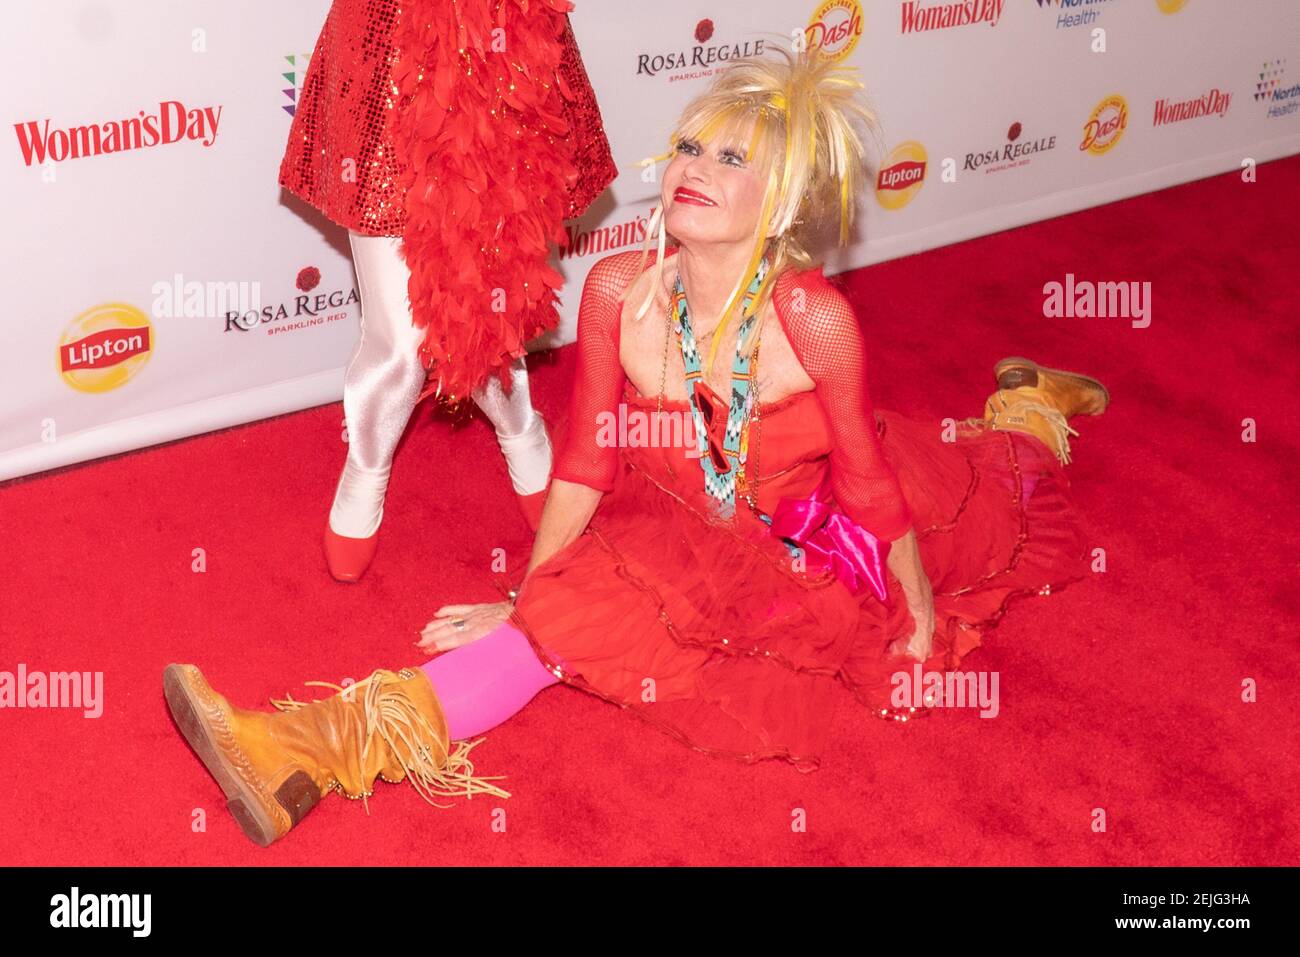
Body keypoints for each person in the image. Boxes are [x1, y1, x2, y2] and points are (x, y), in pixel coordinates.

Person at [166, 46, 1108, 846]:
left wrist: (913, 614)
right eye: (691, 144)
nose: (695, 165)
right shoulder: (619, 289)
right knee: (567, 616)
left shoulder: (814, 321)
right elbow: (585, 464)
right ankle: (305, 751)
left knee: (1001, 490)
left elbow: (867, 485)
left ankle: (1027, 406)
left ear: (778, 204)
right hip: (682, 519)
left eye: (731, 157)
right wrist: (529, 594)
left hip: (817, 541)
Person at [280, 0, 617, 581]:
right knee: (402, 343)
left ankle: (520, 429)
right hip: (387, 47)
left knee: (495, 292)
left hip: (508, 40)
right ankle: (368, 463)